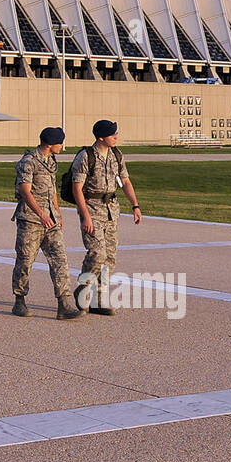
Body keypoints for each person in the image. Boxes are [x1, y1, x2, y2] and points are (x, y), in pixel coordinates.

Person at [70, 119, 142, 316]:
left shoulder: (117, 155)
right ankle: (83, 287)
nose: (116, 137)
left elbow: (125, 181)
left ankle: (96, 299)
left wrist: (135, 205)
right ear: (101, 137)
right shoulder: (86, 157)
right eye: (112, 134)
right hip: (91, 209)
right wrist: (85, 216)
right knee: (96, 253)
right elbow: (77, 188)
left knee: (109, 258)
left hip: (111, 210)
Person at [12, 127, 82, 320]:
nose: (62, 145)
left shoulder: (51, 160)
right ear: (50, 144)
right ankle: (19, 300)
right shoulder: (29, 161)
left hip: (51, 221)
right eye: (60, 142)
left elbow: (52, 191)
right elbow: (25, 191)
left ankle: (64, 303)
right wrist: (41, 214)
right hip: (31, 220)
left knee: (60, 260)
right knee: (25, 261)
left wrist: (57, 214)